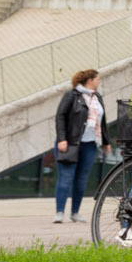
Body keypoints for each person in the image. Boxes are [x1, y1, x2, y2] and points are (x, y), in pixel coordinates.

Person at [53, 70, 107, 224]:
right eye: (97, 79)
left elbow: (102, 122)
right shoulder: (72, 95)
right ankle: (59, 212)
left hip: (90, 144)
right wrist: (62, 139)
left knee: (81, 180)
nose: (99, 82)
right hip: (70, 143)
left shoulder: (97, 97)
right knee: (66, 178)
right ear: (90, 80)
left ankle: (75, 212)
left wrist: (106, 142)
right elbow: (60, 116)